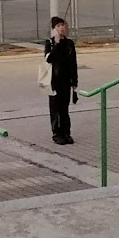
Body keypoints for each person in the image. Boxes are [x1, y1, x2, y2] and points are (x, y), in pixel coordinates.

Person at [43, 16, 78, 145]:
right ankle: (56, 133)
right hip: (54, 81)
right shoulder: (50, 43)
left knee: (65, 108)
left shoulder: (69, 43)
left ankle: (66, 133)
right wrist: (56, 44)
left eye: (63, 25)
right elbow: (49, 59)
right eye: (58, 26)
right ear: (54, 28)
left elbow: (73, 63)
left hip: (66, 81)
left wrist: (74, 81)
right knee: (55, 108)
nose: (61, 28)